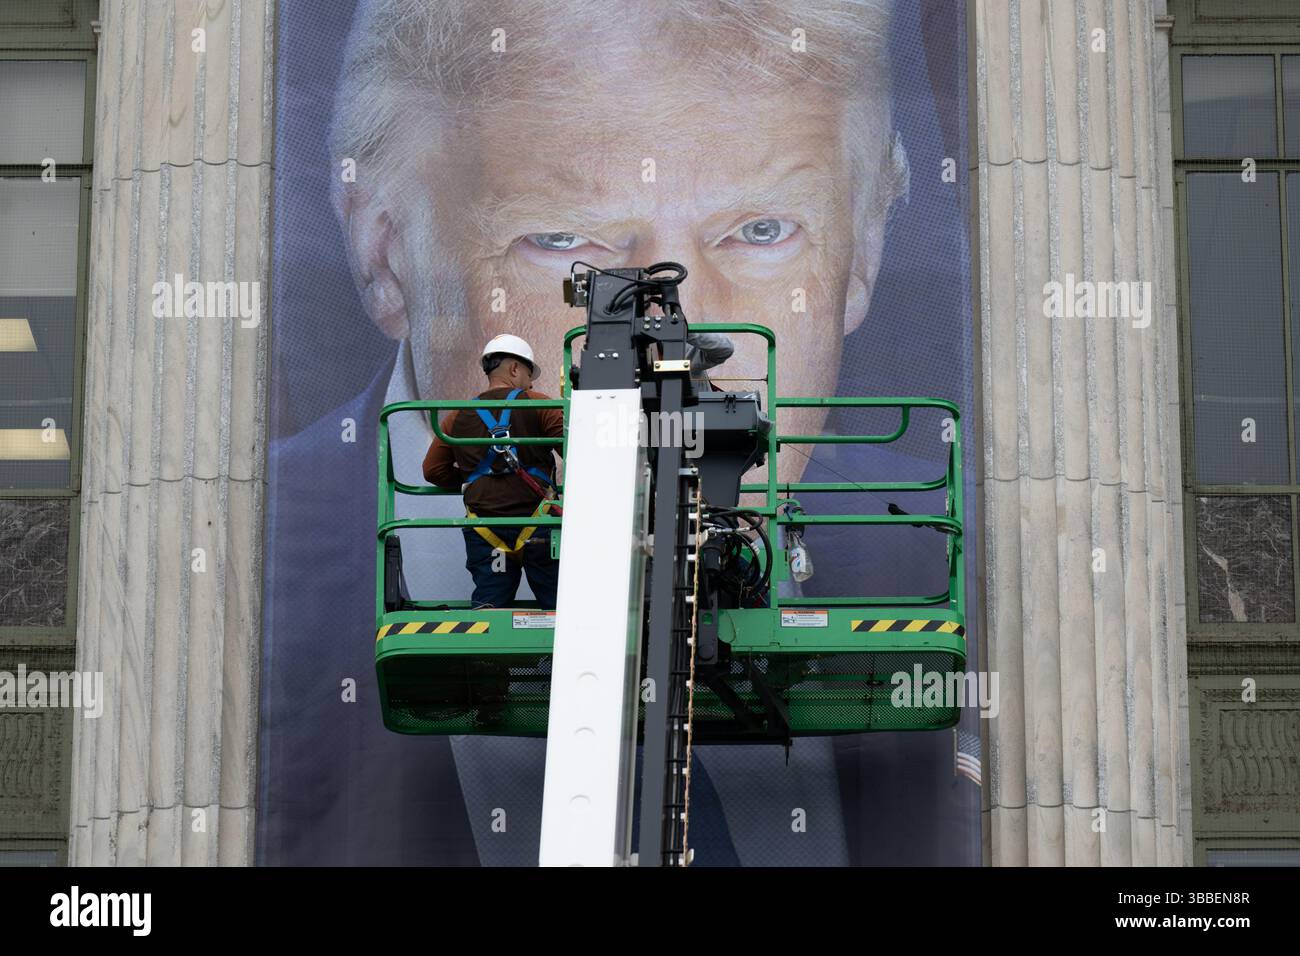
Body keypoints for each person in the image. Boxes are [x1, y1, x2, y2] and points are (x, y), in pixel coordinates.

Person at [423, 334, 563, 609]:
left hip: (485, 531)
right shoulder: (539, 404)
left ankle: (485, 652)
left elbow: (432, 470)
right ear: (513, 369)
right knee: (558, 604)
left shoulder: (457, 416)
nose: (530, 383)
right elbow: (578, 451)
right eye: (527, 374)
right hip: (538, 526)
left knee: (490, 606)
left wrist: (473, 481)